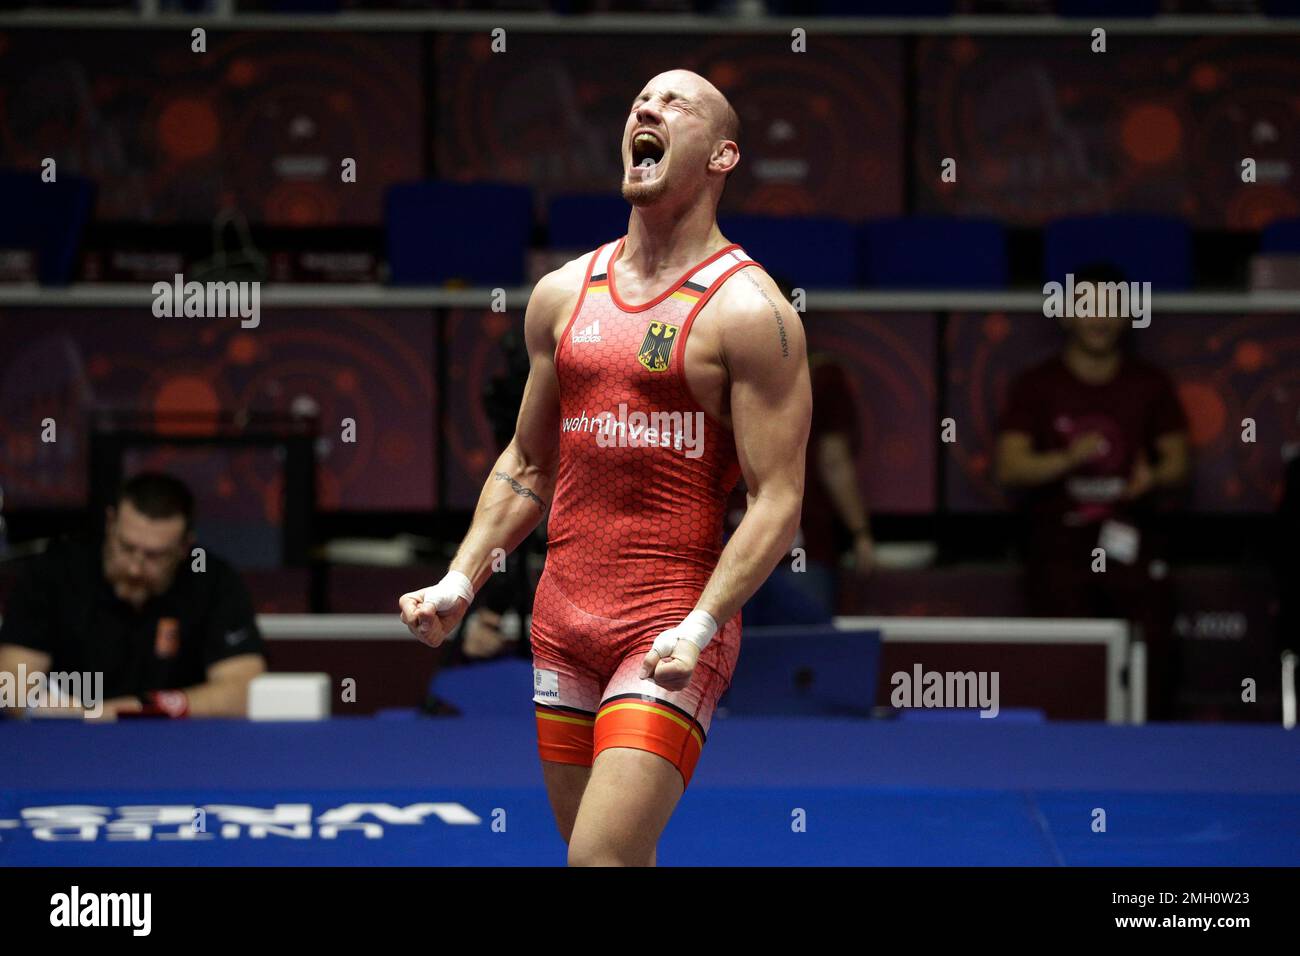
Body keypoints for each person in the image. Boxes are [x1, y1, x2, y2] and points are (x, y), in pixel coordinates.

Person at [399, 69, 811, 865]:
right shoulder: (562, 294)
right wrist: (461, 580)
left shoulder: (752, 313)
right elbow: (528, 462)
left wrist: (701, 624)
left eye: (676, 103)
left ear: (723, 155)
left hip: (668, 626)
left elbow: (777, 501)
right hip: (560, 625)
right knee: (606, 855)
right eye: (639, 102)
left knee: (598, 859)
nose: (647, 109)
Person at [995, 265, 1190, 721]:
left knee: (1155, 653)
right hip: (1059, 546)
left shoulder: (1149, 383)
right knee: (1065, 669)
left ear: (1126, 315)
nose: (1099, 317)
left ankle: (1147, 754)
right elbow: (1010, 466)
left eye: (1110, 306)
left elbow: (1179, 463)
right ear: (1065, 314)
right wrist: (1070, 457)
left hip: (1132, 542)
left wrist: (1154, 479)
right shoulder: (1037, 384)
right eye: (1087, 306)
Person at [0, 471, 266, 719]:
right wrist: (91, 713)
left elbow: (242, 689)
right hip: (70, 738)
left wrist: (145, 709)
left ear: (185, 546)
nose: (135, 568)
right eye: (126, 548)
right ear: (111, 522)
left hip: (179, 744)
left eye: (154, 556)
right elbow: (10, 684)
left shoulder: (213, 580)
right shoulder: (54, 572)